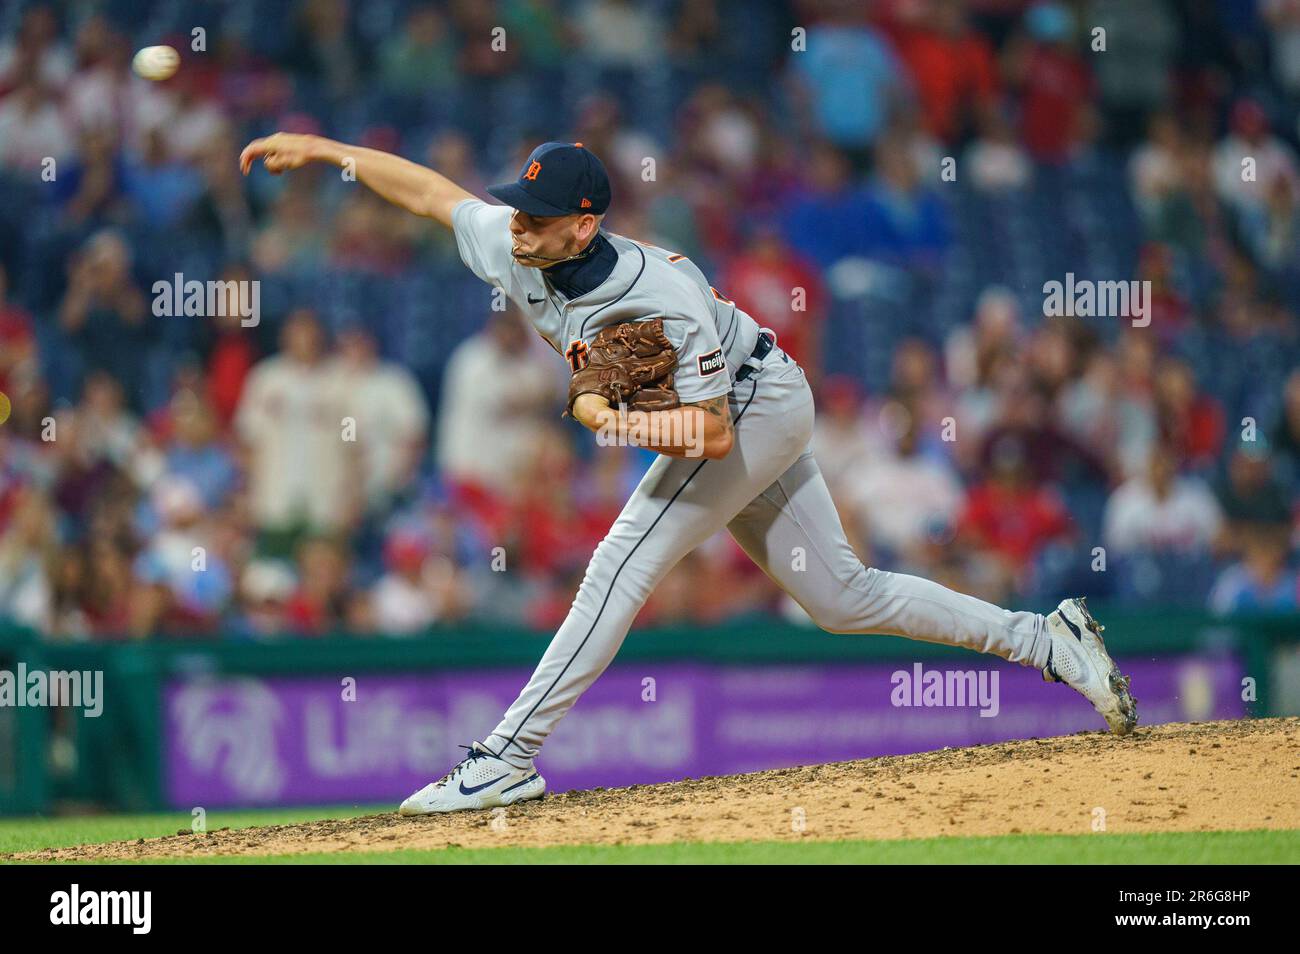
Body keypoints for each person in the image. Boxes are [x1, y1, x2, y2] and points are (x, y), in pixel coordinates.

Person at [239, 132, 1138, 815]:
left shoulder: (654, 296)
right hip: (747, 408)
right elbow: (433, 195)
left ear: (585, 224)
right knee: (842, 597)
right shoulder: (514, 241)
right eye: (516, 207)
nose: (516, 221)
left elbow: (706, 436)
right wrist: (325, 150)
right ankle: (1047, 639)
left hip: (754, 404)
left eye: (536, 215)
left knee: (619, 560)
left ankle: (508, 755)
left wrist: (608, 415)